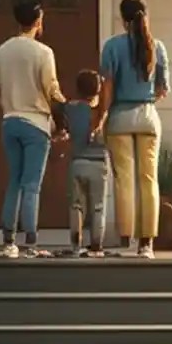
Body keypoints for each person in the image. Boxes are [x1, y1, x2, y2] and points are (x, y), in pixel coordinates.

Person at [0, 0, 66, 259]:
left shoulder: (2, 50)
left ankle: (8, 240)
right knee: (32, 184)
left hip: (10, 121)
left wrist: (11, 102)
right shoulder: (43, 53)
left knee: (14, 180)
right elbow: (52, 90)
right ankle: (30, 242)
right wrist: (64, 115)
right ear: (38, 21)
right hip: (35, 124)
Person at [98, 0, 169, 259]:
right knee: (149, 179)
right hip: (148, 115)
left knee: (124, 179)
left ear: (122, 19)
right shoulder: (157, 46)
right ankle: (147, 244)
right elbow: (162, 89)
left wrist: (101, 116)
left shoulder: (112, 47)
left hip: (120, 116)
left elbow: (107, 88)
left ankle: (125, 238)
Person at [62, 69, 109, 258]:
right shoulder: (103, 113)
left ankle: (76, 245)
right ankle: (96, 247)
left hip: (77, 163)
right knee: (98, 206)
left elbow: (59, 111)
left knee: (76, 205)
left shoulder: (71, 108)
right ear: (98, 90)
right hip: (99, 164)